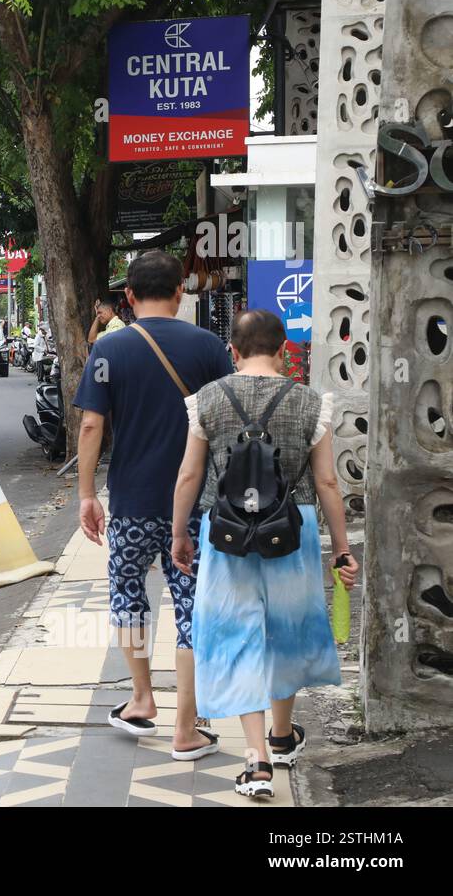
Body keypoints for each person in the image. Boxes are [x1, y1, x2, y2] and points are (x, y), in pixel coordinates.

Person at [170, 309, 357, 799]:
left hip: (226, 532)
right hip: (291, 533)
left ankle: (255, 760)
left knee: (235, 635)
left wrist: (179, 535)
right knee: (285, 632)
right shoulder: (312, 402)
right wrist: (342, 549)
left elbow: (189, 476)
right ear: (283, 351)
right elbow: (328, 482)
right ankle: (282, 734)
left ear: (232, 350)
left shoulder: (206, 400)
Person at [73, 250, 233, 760]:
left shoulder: (110, 351)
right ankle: (187, 729)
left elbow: (93, 425)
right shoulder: (209, 347)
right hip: (197, 507)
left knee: (128, 596)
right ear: (181, 292)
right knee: (191, 609)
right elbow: (226, 424)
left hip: (133, 503)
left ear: (129, 297)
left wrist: (85, 495)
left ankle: (141, 700)